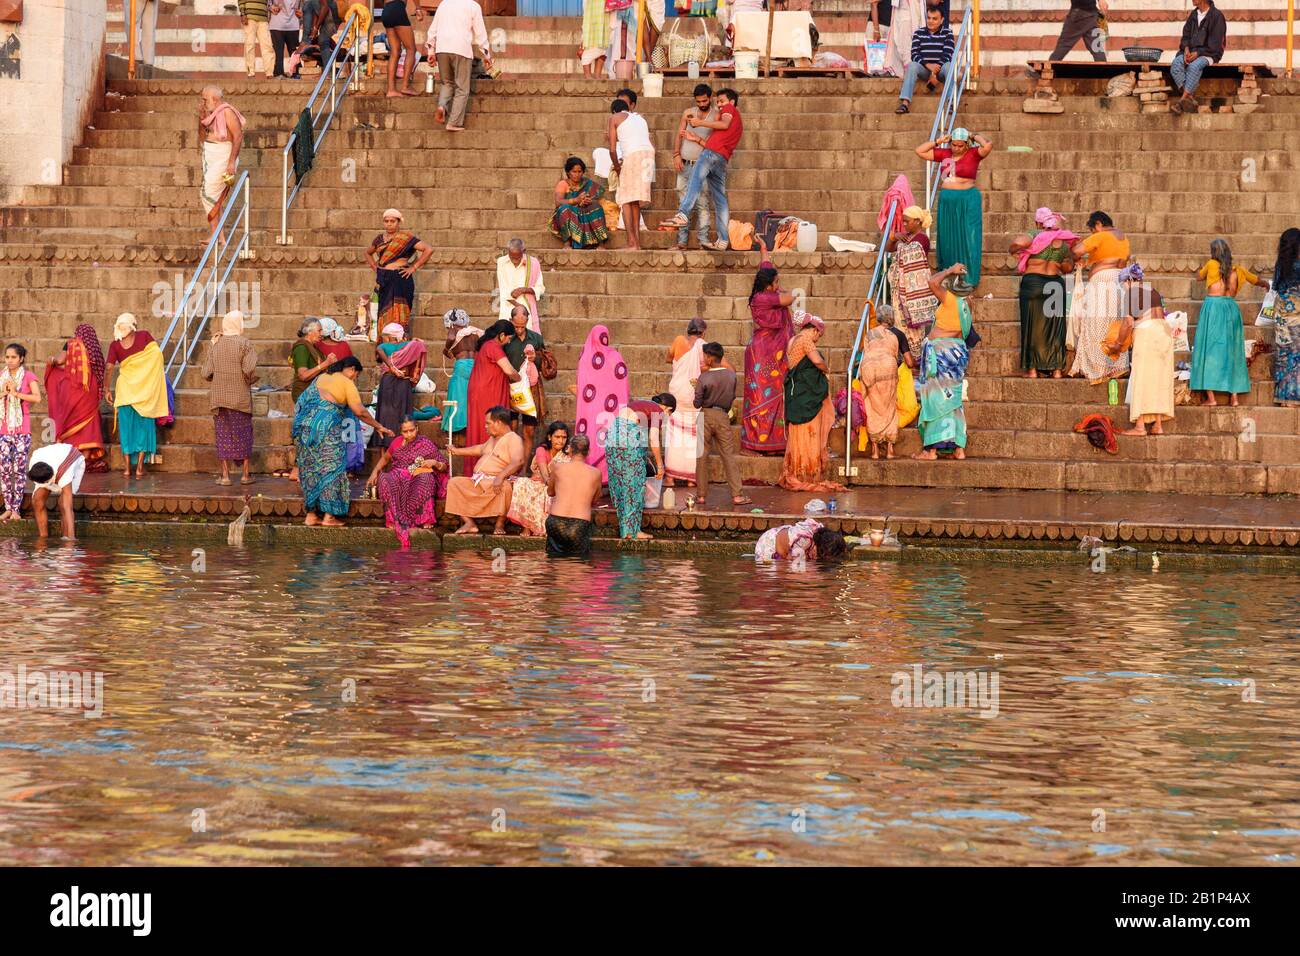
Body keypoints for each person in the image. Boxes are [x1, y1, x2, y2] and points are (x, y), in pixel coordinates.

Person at [294, 355, 391, 527]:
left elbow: (303, 403)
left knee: (311, 471)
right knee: (332, 470)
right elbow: (360, 411)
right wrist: (378, 426)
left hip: (305, 433)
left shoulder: (321, 377)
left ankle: (311, 515)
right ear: (352, 369)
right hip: (326, 433)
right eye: (357, 375)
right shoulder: (347, 383)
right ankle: (329, 517)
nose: (355, 378)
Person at [659, 89, 742, 252]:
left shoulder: (729, 110)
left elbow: (723, 125)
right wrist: (695, 138)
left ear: (731, 102)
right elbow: (718, 138)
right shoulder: (737, 123)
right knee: (720, 200)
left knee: (695, 183)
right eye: (718, 102)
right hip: (721, 159)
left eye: (722, 101)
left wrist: (699, 122)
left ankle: (683, 214)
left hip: (710, 155)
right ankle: (723, 240)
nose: (719, 105)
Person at [1190, 239, 1266, 407]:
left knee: (1208, 350)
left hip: (1213, 308)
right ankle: (1234, 397)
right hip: (1231, 309)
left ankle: (1211, 398)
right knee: (1233, 351)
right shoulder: (1238, 270)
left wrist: (1199, 271)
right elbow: (1257, 280)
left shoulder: (1210, 264)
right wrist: (1266, 285)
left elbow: (1198, 277)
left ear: (1213, 253)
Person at [916, 128, 992, 287]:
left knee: (969, 235)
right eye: (954, 145)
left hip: (968, 198)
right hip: (948, 200)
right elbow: (920, 151)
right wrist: (938, 141)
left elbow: (987, 146)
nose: (956, 148)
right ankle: (949, 273)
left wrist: (973, 136)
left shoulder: (973, 153)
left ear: (966, 144)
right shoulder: (944, 154)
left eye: (960, 145)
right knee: (947, 236)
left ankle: (968, 276)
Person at [914, 263, 974, 460]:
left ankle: (931, 450)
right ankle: (958, 448)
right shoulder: (966, 305)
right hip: (956, 353)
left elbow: (931, 281)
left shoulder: (950, 299)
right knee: (953, 400)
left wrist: (949, 270)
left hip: (942, 354)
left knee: (937, 398)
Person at [780, 313, 844, 490]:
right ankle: (807, 474)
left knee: (797, 435)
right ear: (814, 330)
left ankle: (797, 471)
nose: (817, 339)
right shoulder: (806, 340)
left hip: (796, 393)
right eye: (819, 335)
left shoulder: (793, 340)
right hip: (805, 394)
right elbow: (817, 361)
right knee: (809, 434)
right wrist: (826, 369)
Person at [742, 242, 795, 454]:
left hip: (775, 352)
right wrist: (789, 291)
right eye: (776, 281)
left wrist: (764, 248)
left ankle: (777, 442)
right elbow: (790, 297)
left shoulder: (766, 292)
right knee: (761, 398)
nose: (778, 284)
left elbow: (765, 265)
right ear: (768, 285)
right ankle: (759, 443)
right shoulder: (764, 298)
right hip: (764, 353)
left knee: (778, 396)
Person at [1011, 207, 1076, 378]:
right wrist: (1057, 263)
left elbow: (1019, 243)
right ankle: (1056, 371)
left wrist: (1014, 250)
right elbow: (1069, 267)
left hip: (1033, 283)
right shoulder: (1063, 242)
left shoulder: (1034, 234)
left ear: (1039, 223)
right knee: (1056, 327)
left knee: (1031, 325)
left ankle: (1032, 370)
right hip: (1055, 283)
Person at [1069, 210, 1131, 384]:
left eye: (1092, 230)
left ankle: (1096, 369)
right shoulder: (1123, 237)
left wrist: (1078, 260)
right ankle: (1116, 367)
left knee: (1095, 323)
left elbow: (1076, 251)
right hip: (1120, 281)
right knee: (1115, 324)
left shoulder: (1101, 235)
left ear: (1097, 224)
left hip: (1102, 281)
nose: (1093, 234)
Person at [104, 313, 168, 480]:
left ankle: (126, 469)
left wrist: (106, 389)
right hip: (145, 393)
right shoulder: (145, 336)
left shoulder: (114, 345)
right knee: (143, 430)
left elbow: (109, 368)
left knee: (126, 431)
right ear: (134, 325)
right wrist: (146, 376)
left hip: (125, 392)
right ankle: (139, 468)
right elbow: (157, 356)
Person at [367, 416, 448, 546]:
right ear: (401, 432)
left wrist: (435, 463)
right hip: (399, 476)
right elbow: (386, 458)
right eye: (405, 431)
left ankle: (424, 519)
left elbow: (444, 466)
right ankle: (394, 519)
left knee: (426, 478)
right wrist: (374, 473)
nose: (409, 434)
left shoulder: (426, 443)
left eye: (412, 430)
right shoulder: (396, 442)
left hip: (418, 477)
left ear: (417, 428)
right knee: (384, 478)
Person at [201, 309, 259, 486]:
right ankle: (245, 475)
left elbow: (206, 372)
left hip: (219, 399)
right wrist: (249, 380)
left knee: (223, 435)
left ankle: (225, 476)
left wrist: (217, 378)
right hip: (239, 399)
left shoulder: (216, 344)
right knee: (243, 434)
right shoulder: (244, 343)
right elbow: (249, 368)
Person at [445, 406, 525, 534]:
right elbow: (480, 449)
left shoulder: (513, 438)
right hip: (478, 482)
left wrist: (500, 477)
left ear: (498, 422)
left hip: (497, 484)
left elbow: (518, 461)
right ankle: (469, 523)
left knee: (506, 487)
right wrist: (456, 451)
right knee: (454, 483)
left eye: (488, 423)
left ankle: (499, 525)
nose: (485, 427)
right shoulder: (493, 438)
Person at [42, 323, 108, 474]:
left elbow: (59, 361)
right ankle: (83, 459)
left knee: (71, 422)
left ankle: (72, 460)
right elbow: (100, 370)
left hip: (73, 390)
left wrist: (51, 360)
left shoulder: (71, 343)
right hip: (89, 390)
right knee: (88, 424)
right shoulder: (94, 348)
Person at [1117, 266, 1174, 436]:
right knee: (1158, 379)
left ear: (1129, 280)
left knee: (1141, 378)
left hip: (1146, 333)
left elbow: (1128, 323)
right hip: (1163, 332)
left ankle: (1140, 426)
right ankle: (1157, 425)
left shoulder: (1132, 293)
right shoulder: (1152, 290)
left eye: (1123, 284)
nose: (1123, 288)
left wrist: (1119, 343)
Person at [694, 342, 751, 507]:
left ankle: (701, 496)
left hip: (704, 415)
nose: (704, 359)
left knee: (701, 456)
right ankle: (737, 496)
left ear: (711, 358)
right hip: (722, 416)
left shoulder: (703, 377)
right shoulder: (731, 376)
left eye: (705, 356)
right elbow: (731, 396)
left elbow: (697, 403)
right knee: (728, 456)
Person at [427, 0, 491, 132]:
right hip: (461, 49)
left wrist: (431, 50)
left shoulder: (444, 4)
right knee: (462, 88)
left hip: (442, 48)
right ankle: (453, 122)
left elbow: (433, 30)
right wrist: (486, 54)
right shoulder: (473, 6)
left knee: (447, 83)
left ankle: (442, 106)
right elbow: (480, 33)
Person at [465, 320, 520, 472]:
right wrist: (521, 379)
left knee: (483, 427)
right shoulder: (493, 347)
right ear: (501, 335)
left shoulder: (487, 345)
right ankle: (486, 469)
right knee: (488, 427)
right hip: (487, 392)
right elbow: (509, 370)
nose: (509, 341)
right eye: (508, 337)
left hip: (482, 390)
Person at [366, 209, 433, 333]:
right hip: (383, 279)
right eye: (386, 221)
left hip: (400, 278)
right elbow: (368, 253)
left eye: (392, 221)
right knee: (383, 311)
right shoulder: (379, 239)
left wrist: (413, 267)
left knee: (401, 313)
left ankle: (400, 343)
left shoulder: (406, 238)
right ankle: (385, 344)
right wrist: (375, 266)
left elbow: (428, 249)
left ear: (398, 222)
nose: (389, 224)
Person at [886, 205, 937, 362]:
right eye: (903, 222)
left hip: (913, 296)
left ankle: (915, 360)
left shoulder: (922, 239)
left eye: (907, 221)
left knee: (913, 332)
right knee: (900, 329)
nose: (905, 225)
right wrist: (894, 237)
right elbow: (889, 248)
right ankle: (905, 360)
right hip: (899, 293)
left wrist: (902, 242)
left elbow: (912, 256)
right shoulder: (905, 237)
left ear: (917, 221)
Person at [605, 399, 660, 540]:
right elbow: (653, 439)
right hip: (627, 437)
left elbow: (640, 437)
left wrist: (643, 457)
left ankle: (625, 530)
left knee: (619, 483)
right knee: (633, 485)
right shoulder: (659, 411)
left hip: (613, 433)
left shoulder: (639, 406)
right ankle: (632, 532)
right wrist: (660, 464)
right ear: (668, 409)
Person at [671, 85, 717, 251]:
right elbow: (679, 134)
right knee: (683, 203)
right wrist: (676, 154)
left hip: (703, 166)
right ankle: (681, 242)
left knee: (702, 204)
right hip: (685, 163)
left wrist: (697, 138)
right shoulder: (688, 112)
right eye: (698, 101)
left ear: (710, 97)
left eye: (704, 100)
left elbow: (714, 146)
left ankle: (703, 241)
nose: (702, 104)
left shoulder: (716, 116)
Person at [665, 318, 708, 485]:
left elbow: (669, 358)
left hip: (677, 394)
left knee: (674, 434)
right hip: (693, 394)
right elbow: (707, 366)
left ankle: (670, 477)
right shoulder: (704, 346)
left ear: (688, 330)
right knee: (692, 434)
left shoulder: (678, 340)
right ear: (703, 332)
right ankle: (691, 479)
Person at [0, 343, 40, 522]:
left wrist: (16, 393)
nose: (9, 360)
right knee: (5, 469)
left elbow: (37, 398)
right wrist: (4, 392)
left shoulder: (29, 376)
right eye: (7, 357)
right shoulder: (2, 376)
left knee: (19, 469)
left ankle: (16, 509)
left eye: (13, 357)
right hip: (3, 429)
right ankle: (8, 508)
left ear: (21, 358)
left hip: (22, 429)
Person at [509, 420, 570, 537]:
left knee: (550, 493)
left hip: (556, 486)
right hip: (539, 483)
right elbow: (544, 472)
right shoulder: (541, 450)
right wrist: (548, 482)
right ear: (549, 437)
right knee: (524, 484)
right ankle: (526, 526)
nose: (561, 441)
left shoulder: (567, 454)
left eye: (564, 437)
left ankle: (542, 526)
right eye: (557, 437)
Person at [608, 100, 654, 252]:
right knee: (635, 201)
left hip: (633, 156)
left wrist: (617, 167)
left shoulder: (614, 118)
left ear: (614, 111)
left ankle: (631, 244)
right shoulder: (640, 118)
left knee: (626, 200)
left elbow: (612, 150)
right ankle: (637, 244)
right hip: (648, 156)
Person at [198, 87, 245, 233]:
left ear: (215, 99)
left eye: (205, 99)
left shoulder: (227, 112)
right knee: (214, 197)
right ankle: (219, 238)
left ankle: (216, 237)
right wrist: (201, 119)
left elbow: (238, 136)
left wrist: (231, 162)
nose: (203, 102)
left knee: (208, 194)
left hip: (224, 157)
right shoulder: (210, 114)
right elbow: (201, 137)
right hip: (211, 157)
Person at [546, 434, 601, 557]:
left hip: (555, 521)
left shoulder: (557, 467)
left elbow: (550, 492)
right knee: (576, 566)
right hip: (579, 524)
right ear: (588, 452)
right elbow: (595, 499)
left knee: (555, 564)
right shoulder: (596, 473)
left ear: (570, 449)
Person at [1170, 0, 1228, 115]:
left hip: (1209, 54)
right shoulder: (1193, 15)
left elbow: (1215, 45)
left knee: (1193, 67)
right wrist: (1186, 49)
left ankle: (1180, 102)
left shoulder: (1217, 16)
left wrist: (1198, 53)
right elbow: (1185, 37)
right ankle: (1189, 98)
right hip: (1190, 52)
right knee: (1176, 64)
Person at [374, 323, 429, 440]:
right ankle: (402, 442)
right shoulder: (410, 345)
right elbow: (421, 347)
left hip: (388, 380)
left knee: (385, 413)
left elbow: (378, 349)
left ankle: (384, 446)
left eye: (385, 336)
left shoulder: (384, 346)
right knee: (403, 412)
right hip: (403, 382)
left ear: (390, 337)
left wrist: (391, 368)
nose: (384, 339)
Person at [896, 6, 954, 115]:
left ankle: (951, 102)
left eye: (934, 18)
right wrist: (928, 66)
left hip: (941, 70)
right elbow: (914, 54)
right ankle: (905, 103)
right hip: (924, 69)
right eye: (929, 18)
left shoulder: (948, 33)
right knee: (912, 65)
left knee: (949, 65)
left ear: (942, 20)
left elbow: (948, 54)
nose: (930, 21)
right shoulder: (919, 33)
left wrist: (935, 71)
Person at [502, 305, 547, 447]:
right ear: (510, 321)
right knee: (511, 430)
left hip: (531, 390)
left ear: (528, 320)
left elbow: (545, 362)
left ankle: (522, 470)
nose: (520, 330)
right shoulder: (505, 339)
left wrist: (536, 359)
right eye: (516, 326)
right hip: (510, 390)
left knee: (529, 432)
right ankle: (513, 465)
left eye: (523, 326)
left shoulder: (537, 338)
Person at [26, 443, 85, 540]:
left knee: (63, 503)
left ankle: (67, 538)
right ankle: (43, 538)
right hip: (55, 460)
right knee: (37, 500)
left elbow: (68, 508)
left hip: (73, 461)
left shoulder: (65, 473)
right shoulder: (34, 464)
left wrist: (72, 540)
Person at [859, 326, 901, 460]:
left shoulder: (870, 334)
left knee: (870, 404)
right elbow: (895, 353)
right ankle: (890, 449)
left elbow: (865, 350)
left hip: (869, 364)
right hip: (889, 363)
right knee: (890, 403)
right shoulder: (893, 335)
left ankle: (875, 449)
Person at [550, 157, 609, 250]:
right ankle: (567, 243)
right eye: (574, 172)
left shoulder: (587, 183)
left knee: (596, 207)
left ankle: (601, 244)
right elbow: (558, 202)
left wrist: (588, 201)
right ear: (568, 172)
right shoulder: (563, 184)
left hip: (585, 210)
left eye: (579, 171)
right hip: (570, 211)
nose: (577, 175)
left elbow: (596, 197)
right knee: (564, 209)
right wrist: (575, 200)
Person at [441, 308, 480, 439]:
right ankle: (471, 422)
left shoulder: (454, 331)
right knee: (471, 394)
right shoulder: (475, 333)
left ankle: (457, 424)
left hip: (462, 366)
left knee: (458, 394)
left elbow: (451, 338)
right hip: (474, 366)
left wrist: (446, 349)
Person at [1272, 228, 1300, 407]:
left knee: (1283, 355)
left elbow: (1275, 286)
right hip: (1296, 309)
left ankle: (1283, 398)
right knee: (1296, 355)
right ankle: (1294, 397)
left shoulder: (1280, 264)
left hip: (1281, 310)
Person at [496, 238, 546, 330]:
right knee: (507, 339)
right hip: (508, 307)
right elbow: (503, 289)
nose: (514, 261)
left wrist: (524, 290)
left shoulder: (533, 263)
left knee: (527, 340)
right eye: (512, 257)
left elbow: (540, 289)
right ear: (508, 252)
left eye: (517, 258)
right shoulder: (501, 262)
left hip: (527, 311)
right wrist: (519, 306)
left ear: (524, 251)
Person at [754, 518, 847, 563]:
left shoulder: (820, 533)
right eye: (819, 554)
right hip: (768, 544)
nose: (817, 557)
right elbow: (794, 568)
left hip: (783, 534)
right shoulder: (803, 541)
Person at [380, 0, 422, 98]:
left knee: (395, 52)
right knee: (411, 50)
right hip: (397, 8)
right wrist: (418, 8)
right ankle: (405, 86)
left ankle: (391, 90)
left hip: (386, 9)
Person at [1046, 0, 1109, 66]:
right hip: (1092, 14)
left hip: (1080, 12)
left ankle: (1048, 69)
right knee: (1096, 49)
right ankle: (1104, 72)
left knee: (1063, 45)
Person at [883, 0, 926, 78]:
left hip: (909, 14)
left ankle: (909, 72)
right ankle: (897, 71)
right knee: (896, 41)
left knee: (906, 44)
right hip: (899, 11)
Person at [238, 0, 275, 79]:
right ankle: (251, 73)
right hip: (249, 18)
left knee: (268, 46)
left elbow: (268, 3)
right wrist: (243, 14)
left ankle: (269, 73)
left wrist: (269, 15)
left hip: (263, 19)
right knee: (250, 45)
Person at [270, 1, 303, 78]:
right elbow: (267, 3)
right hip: (277, 25)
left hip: (293, 25)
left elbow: (303, 4)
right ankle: (278, 73)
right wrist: (270, 7)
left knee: (294, 52)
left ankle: (296, 73)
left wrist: (301, 12)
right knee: (278, 52)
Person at [580, 0, 610, 77]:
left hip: (605, 11)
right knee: (589, 48)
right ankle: (589, 78)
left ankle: (596, 77)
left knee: (602, 47)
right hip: (592, 12)